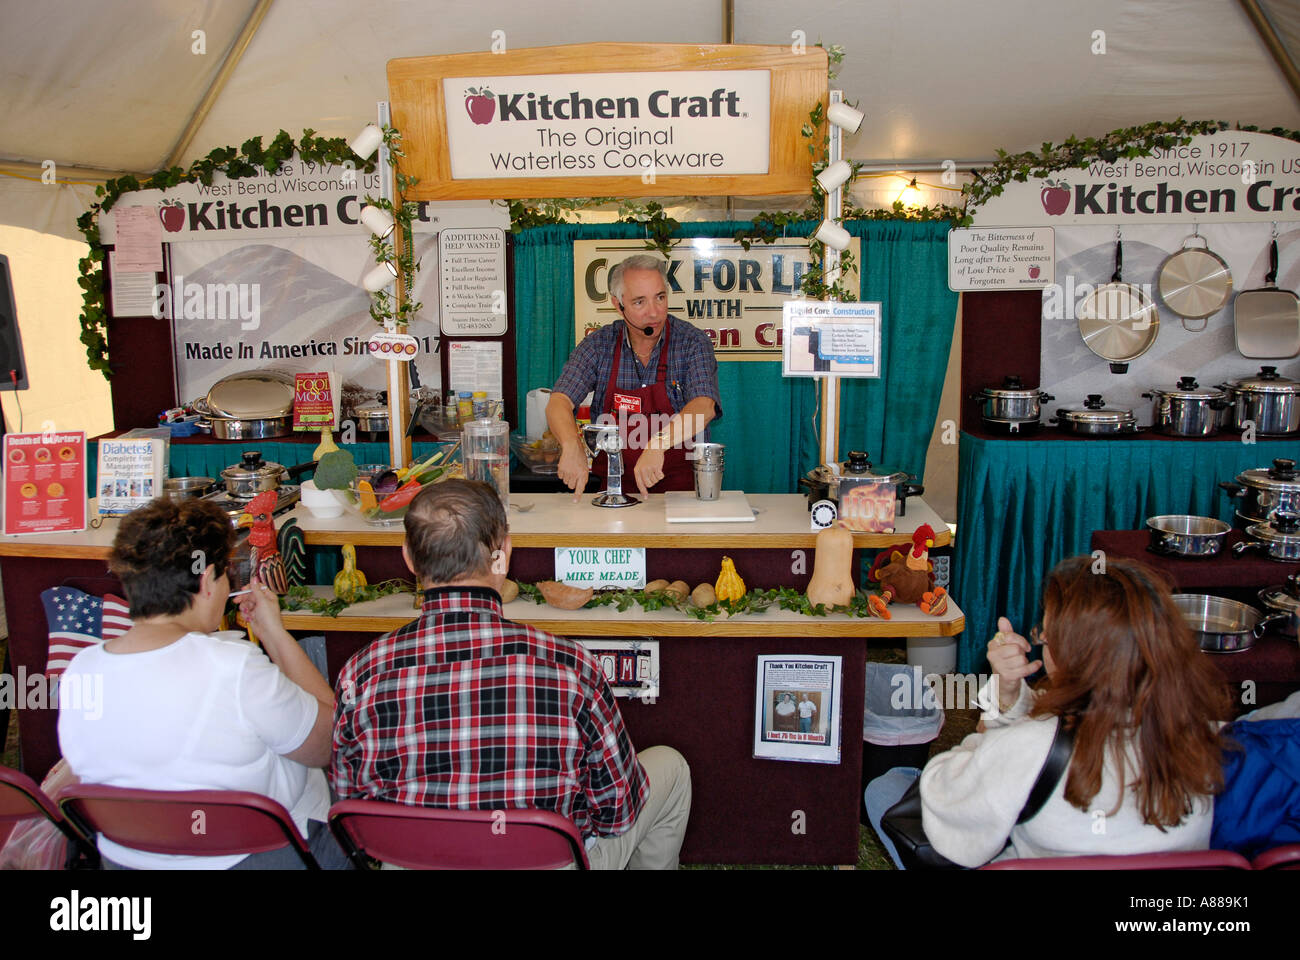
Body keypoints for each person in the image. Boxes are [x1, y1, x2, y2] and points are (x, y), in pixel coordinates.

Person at [330, 479, 692, 869]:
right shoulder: (571, 667)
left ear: (409, 558)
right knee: (671, 769)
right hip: (545, 862)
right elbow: (616, 812)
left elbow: (354, 813)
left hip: (415, 863)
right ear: (503, 552)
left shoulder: (362, 673)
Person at [864, 556, 1230, 868]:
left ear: (1073, 653)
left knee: (888, 785)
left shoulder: (1031, 746)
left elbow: (946, 809)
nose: (1042, 646)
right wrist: (1010, 695)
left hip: (1010, 841)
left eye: (1046, 636)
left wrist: (992, 724)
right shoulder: (1205, 734)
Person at [57, 497, 349, 869]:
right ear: (206, 579)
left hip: (124, 858)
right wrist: (275, 635)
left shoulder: (80, 668)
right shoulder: (233, 666)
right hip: (247, 857)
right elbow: (329, 743)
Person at [547, 254, 722, 498]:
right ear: (619, 305)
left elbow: (705, 406)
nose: (654, 313)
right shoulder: (598, 346)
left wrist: (658, 444)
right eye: (640, 302)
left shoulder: (691, 342)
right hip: (613, 493)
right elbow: (559, 402)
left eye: (660, 298)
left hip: (681, 494)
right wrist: (570, 445)